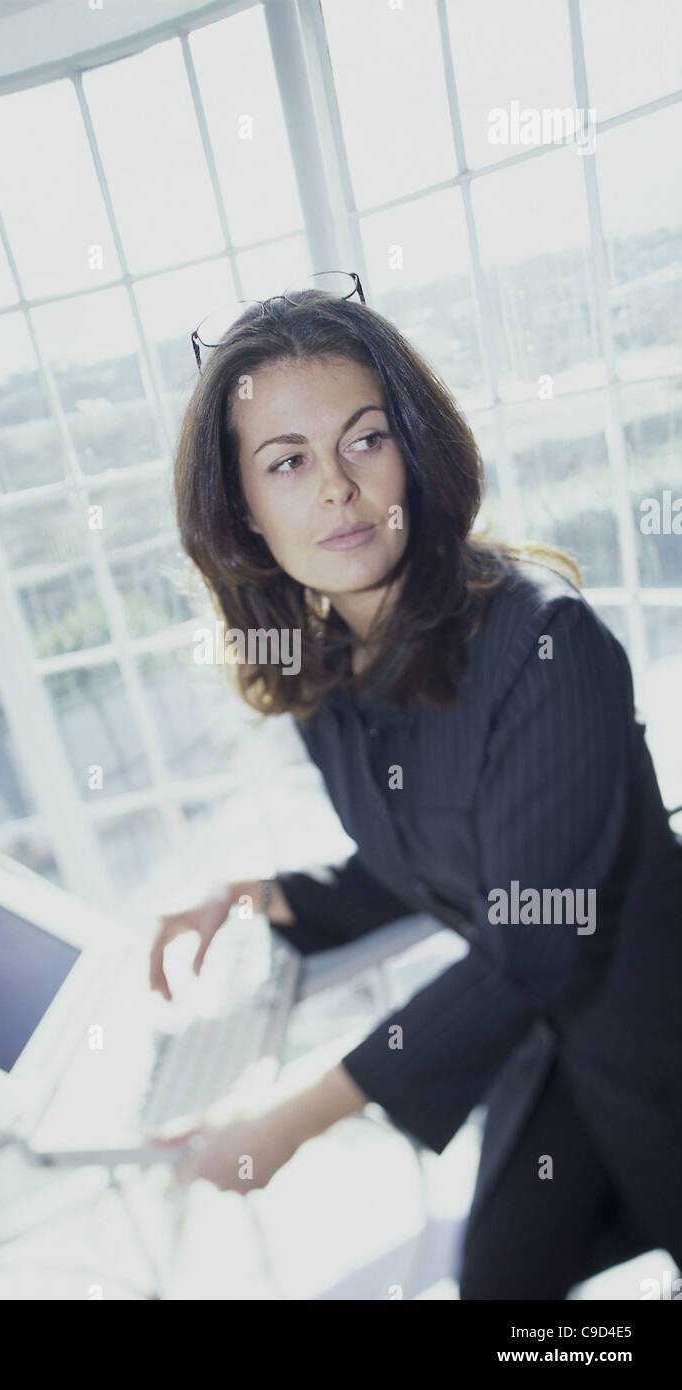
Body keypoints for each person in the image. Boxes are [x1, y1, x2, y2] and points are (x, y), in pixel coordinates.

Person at [145, 282, 682, 1300]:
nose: (337, 490)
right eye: (287, 461)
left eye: (364, 439)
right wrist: (257, 893)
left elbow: (524, 939)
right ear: (244, 512)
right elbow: (420, 859)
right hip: (559, 1044)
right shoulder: (322, 674)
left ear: (414, 452)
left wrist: (286, 1120)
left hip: (657, 1028)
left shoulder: (542, 643)